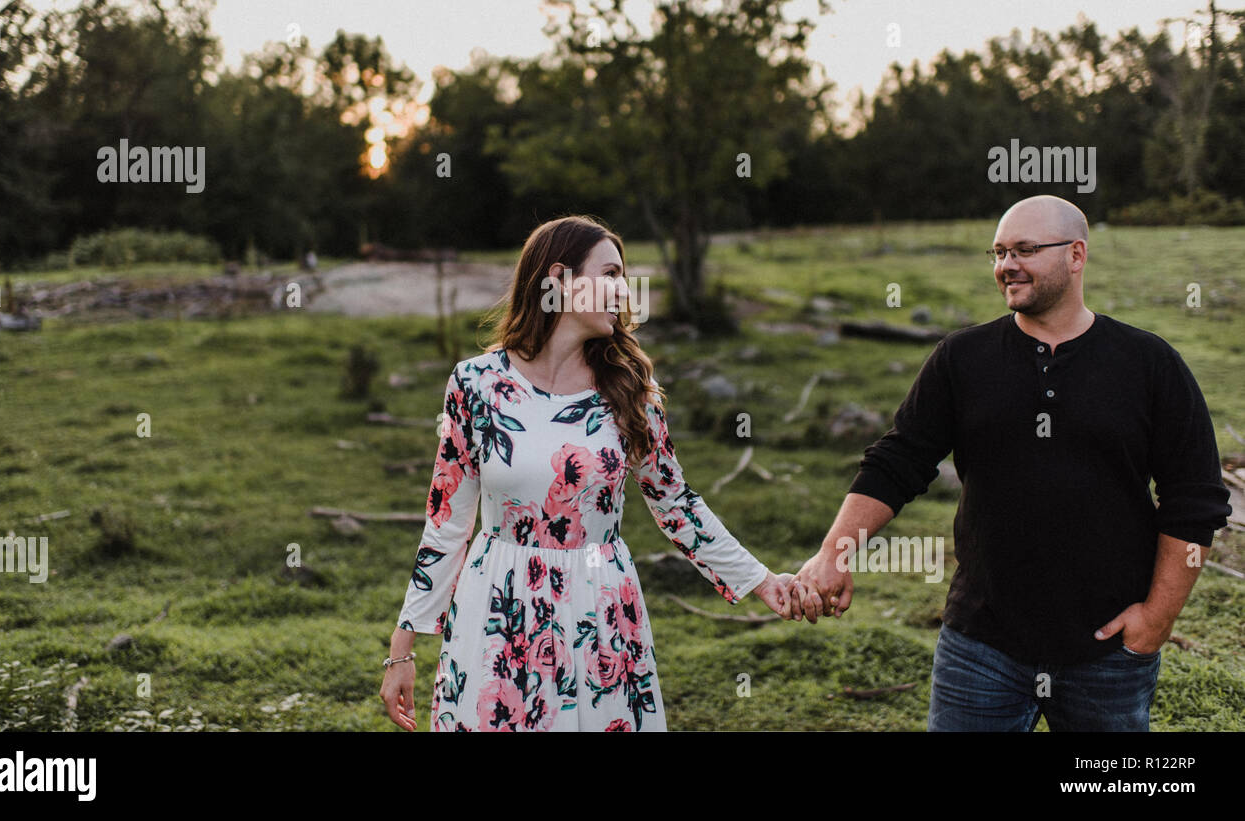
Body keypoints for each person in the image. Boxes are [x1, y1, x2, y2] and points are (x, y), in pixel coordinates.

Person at [792, 195, 1231, 731]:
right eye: (998, 252)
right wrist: (835, 552)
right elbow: (897, 461)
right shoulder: (962, 359)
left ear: (1075, 255)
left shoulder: (1149, 363)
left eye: (1025, 250)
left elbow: (1194, 499)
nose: (1006, 266)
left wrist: (1155, 622)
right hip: (981, 643)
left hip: (1108, 648)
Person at [380, 215, 799, 731]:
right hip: (498, 607)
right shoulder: (476, 384)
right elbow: (446, 521)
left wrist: (759, 580)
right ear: (558, 279)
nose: (624, 291)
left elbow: (676, 503)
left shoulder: (629, 390)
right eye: (611, 274)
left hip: (600, 608)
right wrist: (403, 647)